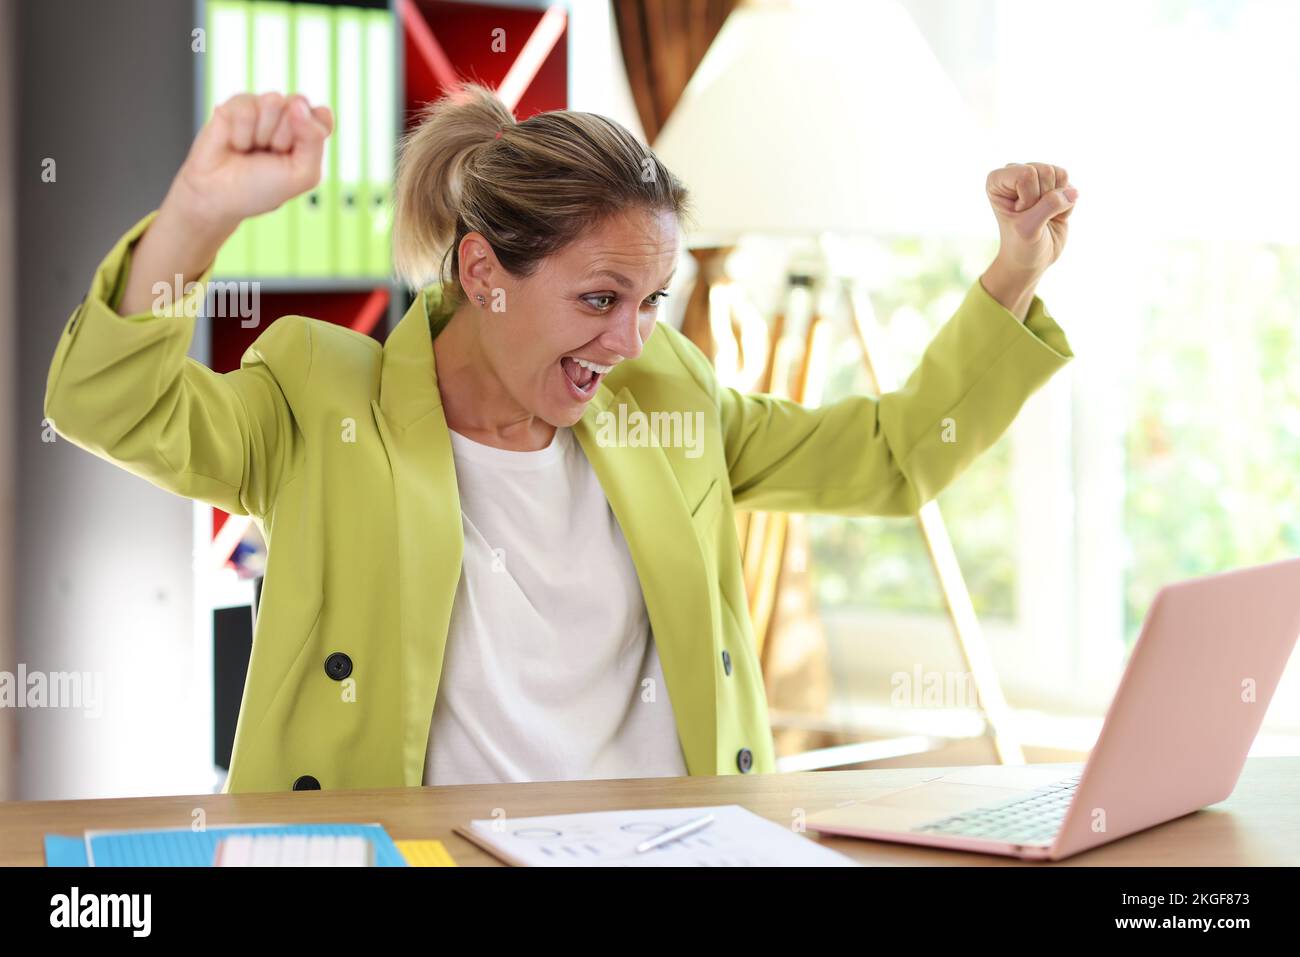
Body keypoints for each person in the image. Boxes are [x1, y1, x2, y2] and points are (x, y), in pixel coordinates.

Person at [44, 84, 1076, 793]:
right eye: (598, 297)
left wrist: (1013, 273)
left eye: (650, 301)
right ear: (484, 273)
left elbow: (891, 459)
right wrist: (196, 217)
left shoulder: (660, 399)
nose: (628, 340)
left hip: (670, 845)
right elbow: (108, 405)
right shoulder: (322, 397)